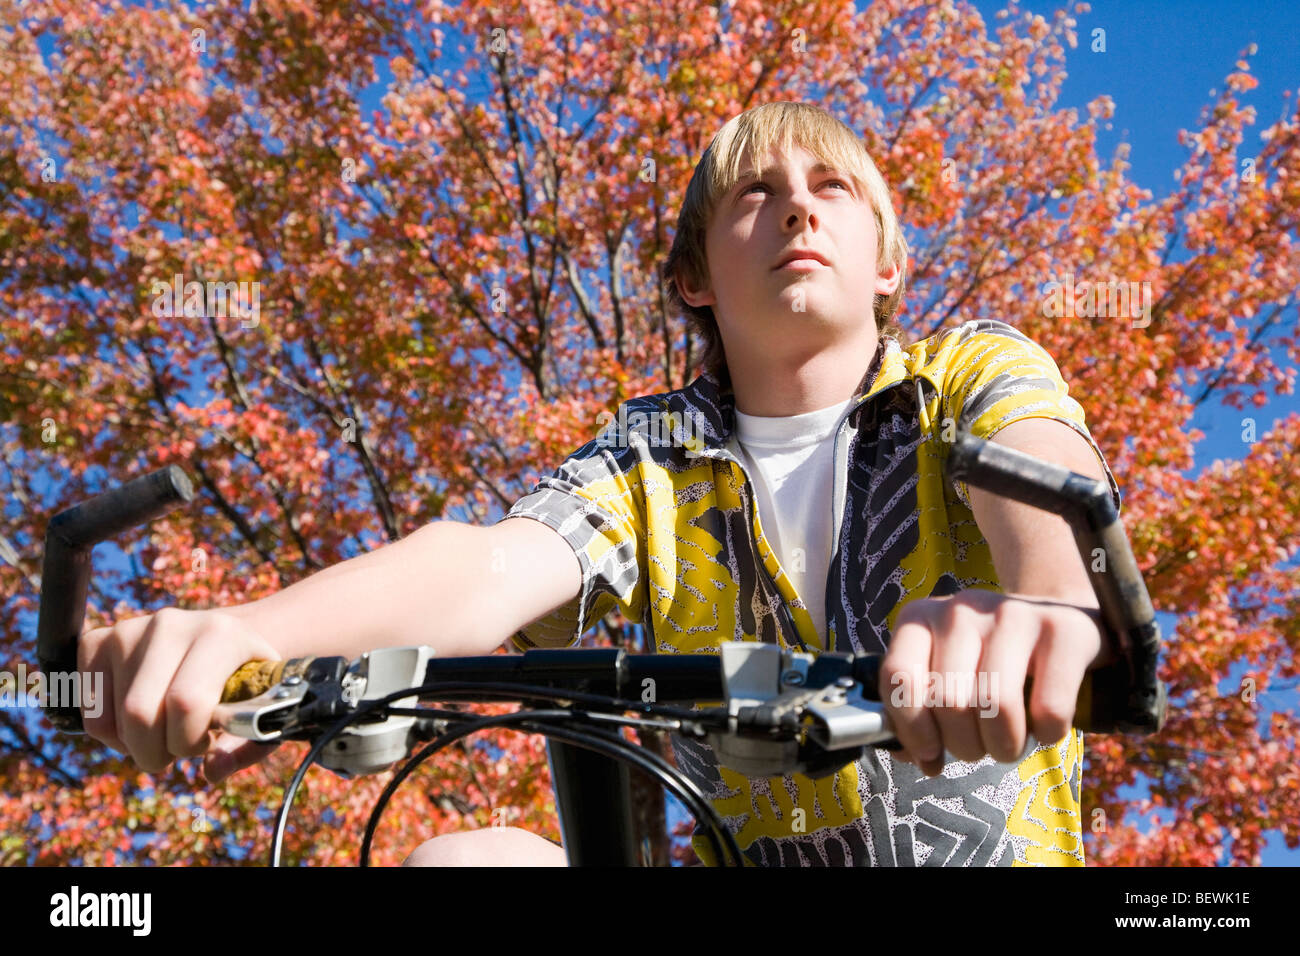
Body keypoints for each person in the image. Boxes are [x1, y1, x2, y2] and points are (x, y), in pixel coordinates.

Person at [79, 101, 1121, 867]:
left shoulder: (970, 373)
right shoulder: (649, 453)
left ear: (888, 263)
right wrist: (251, 632)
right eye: (755, 192)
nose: (798, 206)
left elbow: (1042, 481)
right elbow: (488, 566)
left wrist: (1045, 602)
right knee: (466, 863)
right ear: (694, 277)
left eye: (833, 188)